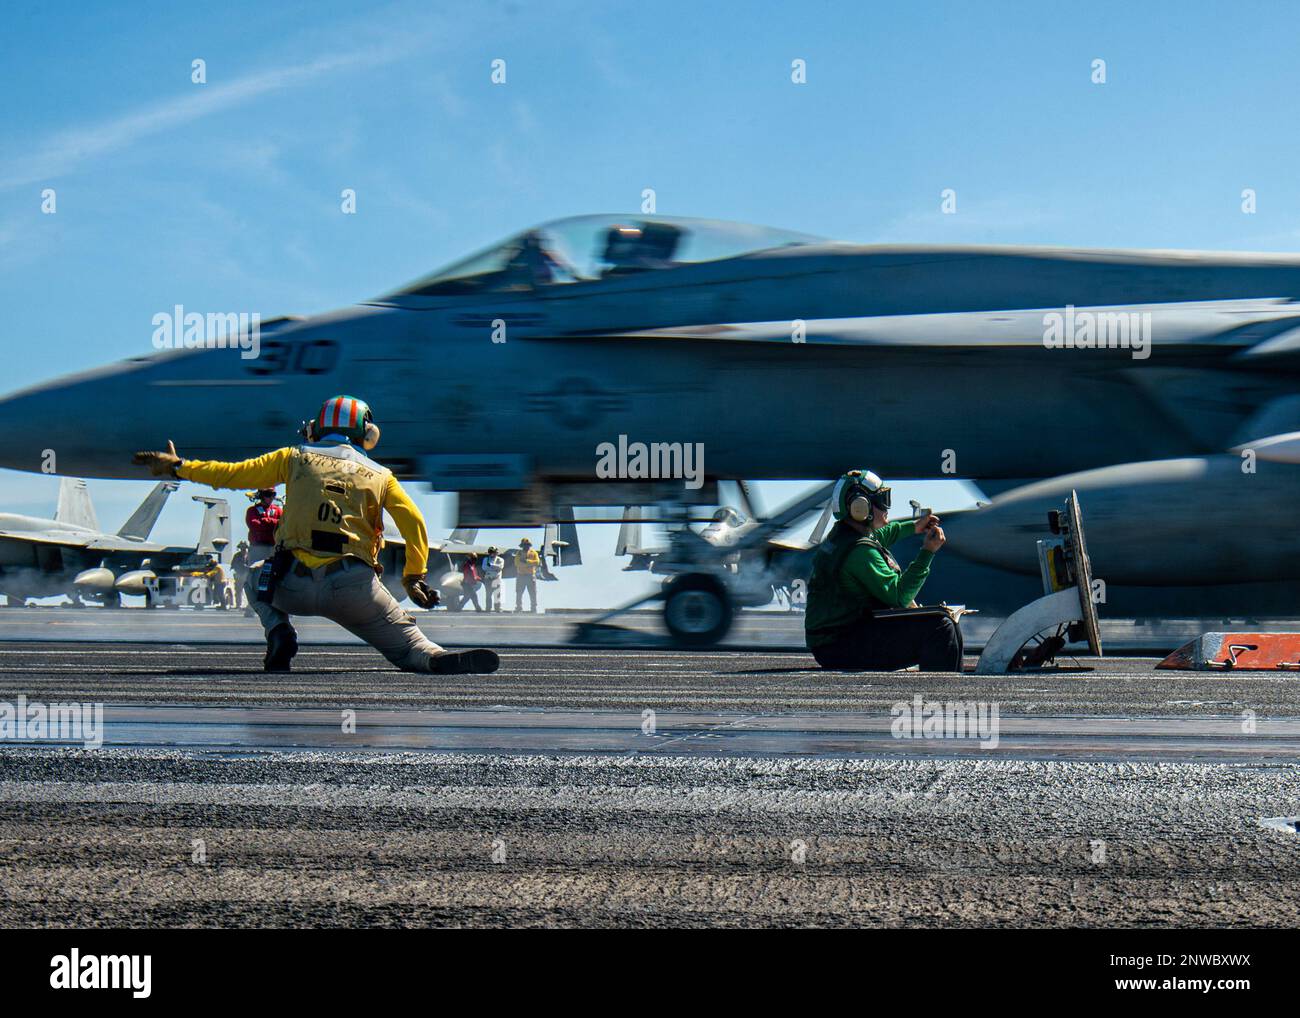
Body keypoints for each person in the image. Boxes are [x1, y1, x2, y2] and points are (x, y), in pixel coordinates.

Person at [133, 395, 499, 675]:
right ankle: (433, 658)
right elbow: (414, 523)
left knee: (252, 578)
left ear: (317, 428)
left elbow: (233, 474)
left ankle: (279, 632)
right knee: (410, 649)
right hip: (354, 588)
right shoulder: (381, 475)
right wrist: (413, 577)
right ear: (366, 433)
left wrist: (180, 467)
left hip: (291, 583)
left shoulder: (294, 457)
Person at [804, 469, 963, 672]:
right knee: (941, 627)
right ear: (861, 507)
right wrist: (927, 552)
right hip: (841, 645)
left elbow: (882, 535)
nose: (886, 507)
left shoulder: (843, 536)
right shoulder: (859, 552)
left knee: (946, 623)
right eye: (882, 500)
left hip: (834, 640)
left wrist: (915, 526)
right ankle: (942, 691)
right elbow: (899, 597)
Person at [245, 488, 281, 564]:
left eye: (273, 495)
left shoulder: (278, 511)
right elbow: (254, 525)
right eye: (268, 495)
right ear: (262, 496)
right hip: (257, 548)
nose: (271, 497)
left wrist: (265, 520)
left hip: (273, 548)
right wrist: (273, 524)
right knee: (254, 569)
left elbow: (283, 524)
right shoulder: (252, 510)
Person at [514, 537, 541, 612]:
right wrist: (530, 564)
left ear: (529, 545)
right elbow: (517, 563)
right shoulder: (519, 553)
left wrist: (526, 561)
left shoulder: (534, 552)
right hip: (521, 576)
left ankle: (533, 608)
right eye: (524, 545)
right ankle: (519, 607)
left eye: (527, 544)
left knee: (533, 593)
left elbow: (537, 562)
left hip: (530, 576)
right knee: (519, 593)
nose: (525, 546)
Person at [481, 546, 504, 612]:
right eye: (490, 552)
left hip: (496, 579)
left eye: (493, 552)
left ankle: (498, 608)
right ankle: (488, 608)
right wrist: (494, 567)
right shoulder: (486, 559)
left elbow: (500, 567)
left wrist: (490, 565)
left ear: (496, 553)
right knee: (488, 595)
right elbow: (484, 568)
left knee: (497, 594)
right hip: (488, 579)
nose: (492, 554)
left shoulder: (500, 560)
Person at [230, 540, 251, 610]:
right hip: (239, 575)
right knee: (238, 591)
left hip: (247, 576)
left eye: (244, 547)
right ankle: (238, 604)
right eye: (241, 547)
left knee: (249, 592)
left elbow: (252, 565)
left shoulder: (249, 555)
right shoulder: (236, 555)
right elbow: (233, 565)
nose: (243, 548)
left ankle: (249, 605)